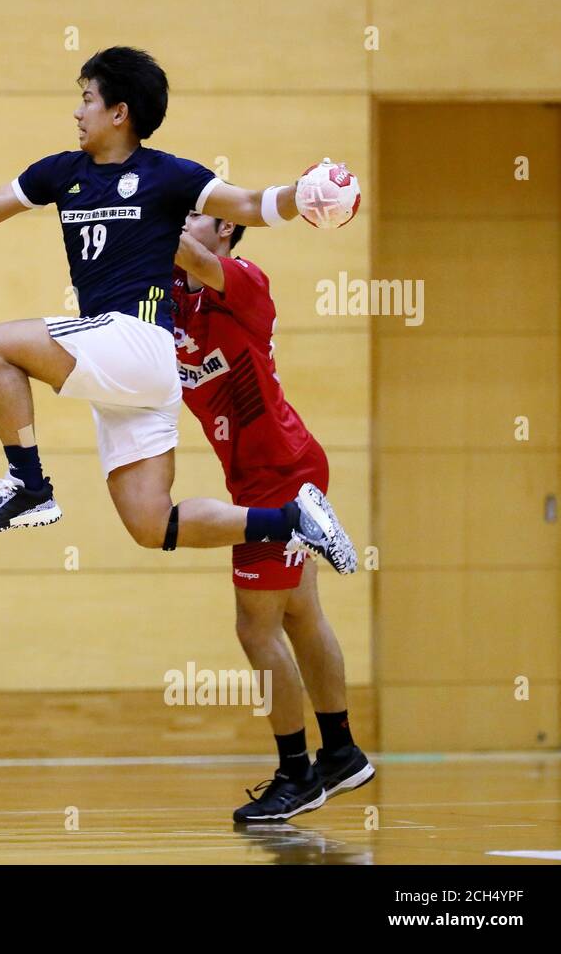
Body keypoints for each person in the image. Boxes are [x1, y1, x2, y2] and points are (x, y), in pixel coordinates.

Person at [0, 46, 357, 575]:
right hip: (137, 374)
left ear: (119, 113)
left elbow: (252, 205)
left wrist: (302, 195)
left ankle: (29, 487)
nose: (77, 112)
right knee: (151, 525)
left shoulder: (168, 175)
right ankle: (291, 521)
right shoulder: (60, 173)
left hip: (135, 338)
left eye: (87, 99)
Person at [172, 216, 373, 822]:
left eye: (193, 212)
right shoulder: (173, 298)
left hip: (279, 474)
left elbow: (175, 243)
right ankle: (340, 752)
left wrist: (141, 198)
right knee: (301, 614)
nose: (180, 220)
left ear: (227, 229)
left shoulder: (244, 282)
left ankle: (298, 773)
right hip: (262, 473)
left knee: (255, 629)